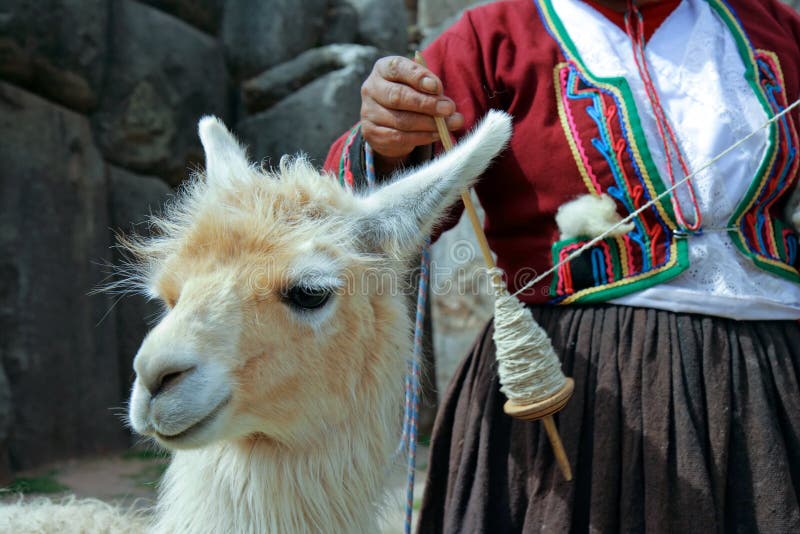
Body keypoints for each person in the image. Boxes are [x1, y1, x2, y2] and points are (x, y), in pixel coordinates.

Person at [324, 0, 800, 531]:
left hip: (774, 382)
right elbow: (369, 220)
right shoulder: (494, 37)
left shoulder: (771, 27)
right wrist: (389, 143)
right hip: (577, 394)